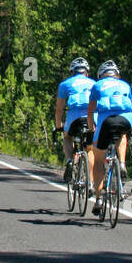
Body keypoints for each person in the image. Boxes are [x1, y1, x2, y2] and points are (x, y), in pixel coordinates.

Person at [88, 61, 132, 215]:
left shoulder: (97, 85)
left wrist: (91, 127)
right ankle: (121, 162)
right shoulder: (125, 85)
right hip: (127, 119)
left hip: (105, 122)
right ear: (117, 74)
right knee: (122, 134)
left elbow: (91, 111)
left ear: (101, 75)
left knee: (99, 161)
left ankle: (99, 198)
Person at [54, 57, 96, 187]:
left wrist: (58, 125)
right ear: (86, 72)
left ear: (72, 72)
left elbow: (59, 109)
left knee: (67, 137)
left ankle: (69, 161)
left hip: (73, 116)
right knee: (89, 149)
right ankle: (90, 181)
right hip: (90, 116)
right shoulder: (94, 83)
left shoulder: (65, 84)